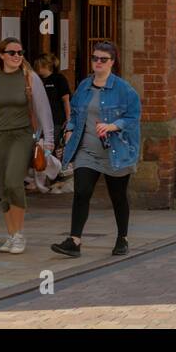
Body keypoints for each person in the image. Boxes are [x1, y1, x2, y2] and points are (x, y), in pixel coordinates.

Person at [52, 40, 141, 258]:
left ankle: (122, 238)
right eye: (95, 58)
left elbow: (133, 117)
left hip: (115, 152)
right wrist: (69, 130)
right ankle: (74, 241)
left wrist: (112, 126)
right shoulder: (84, 86)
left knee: (118, 196)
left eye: (103, 59)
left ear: (112, 62)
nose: (98, 62)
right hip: (87, 150)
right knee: (81, 192)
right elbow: (74, 114)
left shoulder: (124, 90)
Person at [0, 37, 53, 254]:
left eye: (20, 52)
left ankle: (19, 235)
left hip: (22, 137)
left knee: (14, 182)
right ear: (1, 55)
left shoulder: (30, 79)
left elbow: (43, 110)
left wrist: (49, 140)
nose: (17, 56)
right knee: (3, 188)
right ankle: (10, 235)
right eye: (12, 53)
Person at [33, 52, 73, 194]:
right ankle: (45, 178)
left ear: (45, 65)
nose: (36, 68)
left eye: (39, 66)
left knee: (51, 148)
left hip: (56, 119)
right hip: (40, 121)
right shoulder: (38, 81)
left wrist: (69, 120)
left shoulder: (58, 79)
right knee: (41, 149)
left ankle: (53, 177)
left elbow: (66, 100)